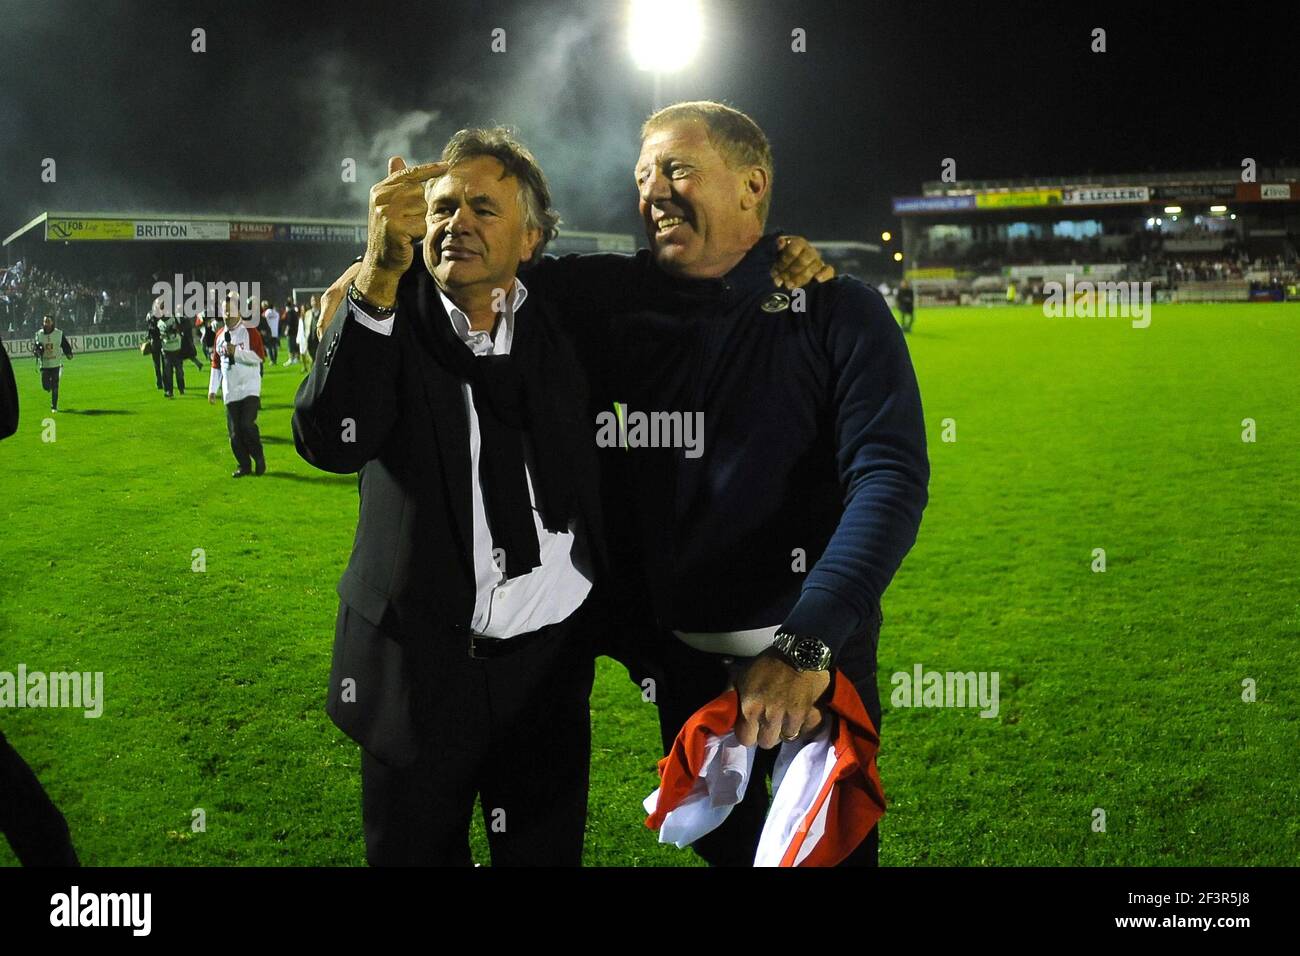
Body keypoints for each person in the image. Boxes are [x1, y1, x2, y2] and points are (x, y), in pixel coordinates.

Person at [293, 131, 612, 867]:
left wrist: (782, 257)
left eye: (481, 206)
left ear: (531, 238)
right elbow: (330, 443)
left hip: (546, 671)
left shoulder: (569, 315)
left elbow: (680, 275)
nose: (454, 221)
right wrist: (374, 275)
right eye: (439, 206)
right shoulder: (384, 313)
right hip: (417, 678)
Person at [209, 293, 266, 477]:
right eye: (224, 310)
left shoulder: (250, 331)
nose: (226, 313)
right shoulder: (219, 335)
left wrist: (237, 353)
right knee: (234, 433)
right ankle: (244, 465)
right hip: (230, 390)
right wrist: (212, 390)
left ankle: (258, 457)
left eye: (230, 309)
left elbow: (259, 357)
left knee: (247, 425)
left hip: (249, 387)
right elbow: (216, 365)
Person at [33, 314, 74, 412]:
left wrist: (69, 353)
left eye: (48, 321)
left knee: (55, 386)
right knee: (45, 386)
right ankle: (51, 386)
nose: (46, 323)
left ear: (52, 323)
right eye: (45, 321)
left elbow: (64, 344)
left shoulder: (58, 333)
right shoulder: (39, 334)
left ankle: (54, 407)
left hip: (55, 363)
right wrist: (36, 352)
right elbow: (35, 347)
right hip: (45, 364)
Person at [156, 309, 186, 398]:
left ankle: (181, 387)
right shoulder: (159, 323)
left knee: (179, 371)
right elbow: (159, 336)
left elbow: (182, 328)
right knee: (168, 372)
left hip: (177, 348)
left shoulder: (175, 319)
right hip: (166, 350)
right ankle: (169, 391)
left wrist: (175, 328)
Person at [297, 295, 316, 374]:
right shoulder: (301, 318)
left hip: (307, 338)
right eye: (301, 309)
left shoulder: (309, 316)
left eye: (303, 309)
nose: (302, 311)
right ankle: (304, 367)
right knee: (302, 354)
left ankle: (312, 369)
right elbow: (300, 329)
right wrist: (298, 338)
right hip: (301, 337)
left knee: (309, 355)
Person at [260, 299, 280, 365]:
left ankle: (272, 360)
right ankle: (275, 360)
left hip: (269, 332)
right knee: (275, 347)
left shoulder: (266, 313)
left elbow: (262, 318)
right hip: (275, 332)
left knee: (269, 347)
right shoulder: (276, 313)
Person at [282, 298, 300, 366]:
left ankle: (291, 359)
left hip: (291, 332)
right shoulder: (294, 312)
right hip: (295, 331)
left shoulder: (289, 313)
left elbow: (289, 323)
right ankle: (296, 358)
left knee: (290, 346)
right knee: (295, 345)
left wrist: (286, 330)